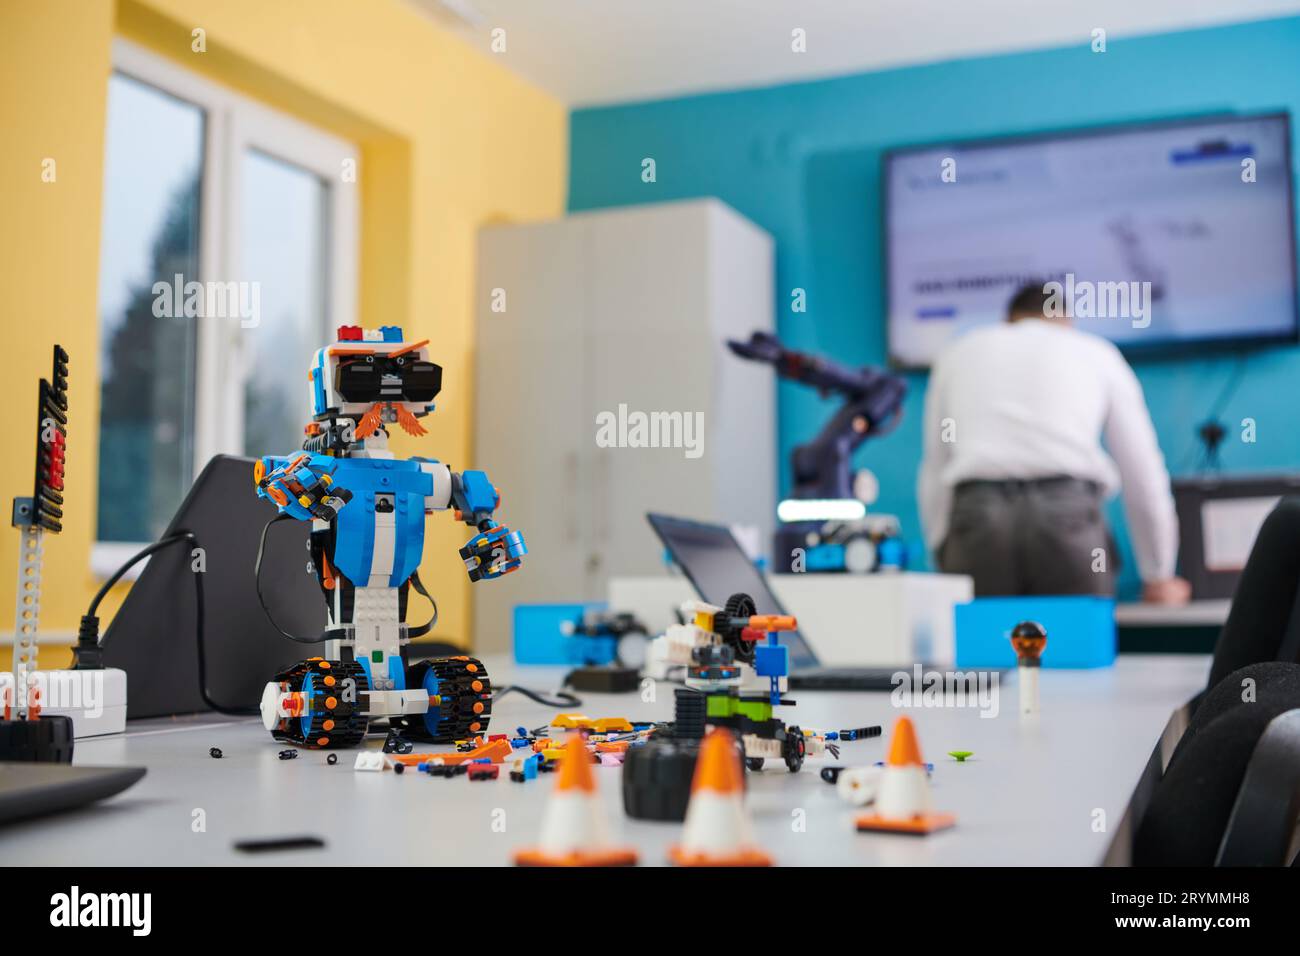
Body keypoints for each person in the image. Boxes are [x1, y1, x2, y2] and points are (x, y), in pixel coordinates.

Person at [917, 283, 1190, 603]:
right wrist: (1158, 573)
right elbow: (1141, 468)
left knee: (982, 648)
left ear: (1009, 320)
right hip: (1068, 521)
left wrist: (942, 555)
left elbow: (935, 467)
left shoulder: (958, 353)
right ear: (1065, 320)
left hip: (978, 523)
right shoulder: (1095, 352)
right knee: (1078, 647)